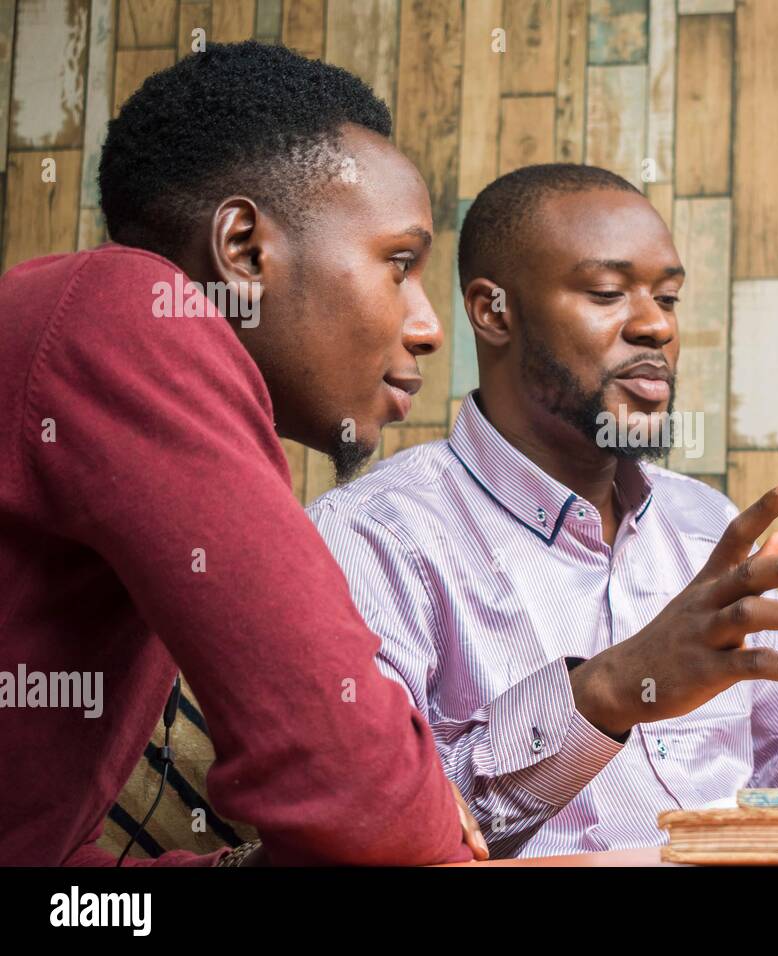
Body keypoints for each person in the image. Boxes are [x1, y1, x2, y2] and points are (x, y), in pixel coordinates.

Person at [309, 163, 778, 857]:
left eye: (669, 298)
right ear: (494, 311)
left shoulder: (704, 523)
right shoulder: (374, 537)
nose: (655, 327)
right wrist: (603, 695)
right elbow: (383, 834)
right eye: (608, 293)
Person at [0, 42, 482, 866]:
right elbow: (365, 797)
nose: (429, 325)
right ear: (245, 251)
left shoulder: (70, 324)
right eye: (399, 265)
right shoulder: (120, 315)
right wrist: (402, 806)